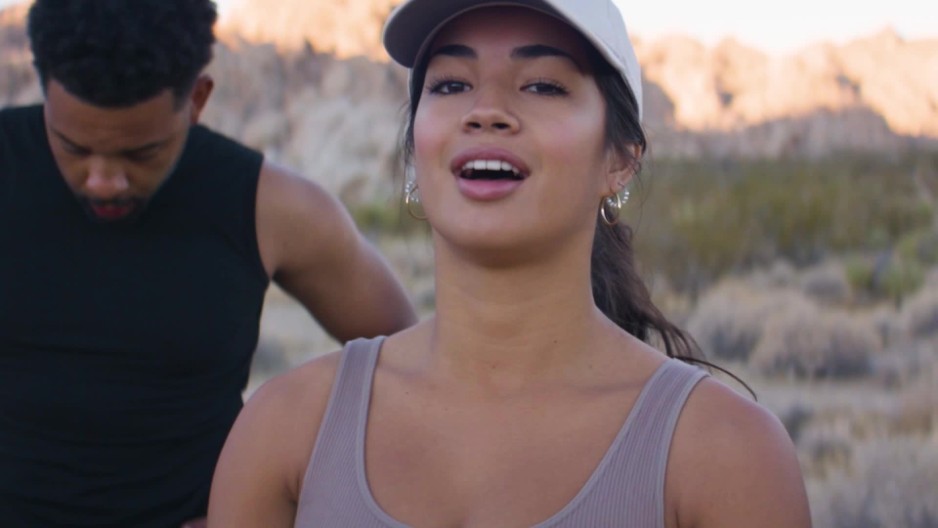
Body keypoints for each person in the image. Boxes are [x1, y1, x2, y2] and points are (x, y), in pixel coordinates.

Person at [207, 0, 812, 526]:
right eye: (450, 85)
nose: (486, 110)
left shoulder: (725, 454)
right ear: (416, 154)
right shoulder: (287, 429)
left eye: (543, 85)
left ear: (620, 160)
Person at [0, 0, 417, 527]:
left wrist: (280, 503)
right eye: (73, 146)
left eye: (140, 153)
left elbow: (416, 371)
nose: (104, 178)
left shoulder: (275, 208)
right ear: (43, 89)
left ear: (197, 99)